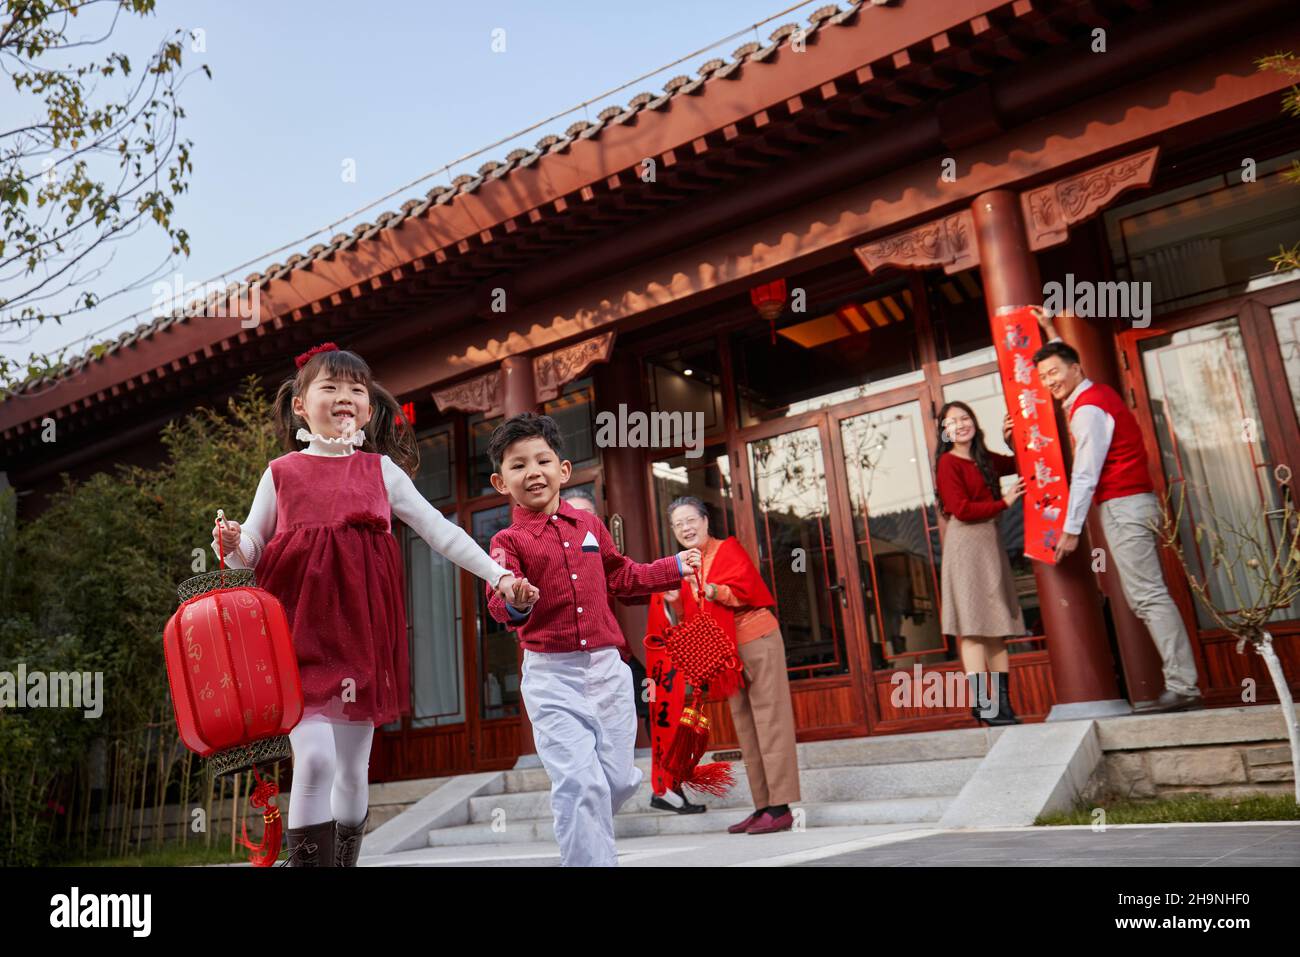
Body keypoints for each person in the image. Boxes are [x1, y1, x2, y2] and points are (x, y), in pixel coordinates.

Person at [213, 342, 526, 866]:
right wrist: (230, 542)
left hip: (361, 639)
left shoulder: (381, 472)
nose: (345, 397)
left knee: (354, 770)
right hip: (295, 638)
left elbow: (441, 533)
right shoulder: (282, 472)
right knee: (313, 760)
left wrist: (499, 575)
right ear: (299, 404)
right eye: (330, 387)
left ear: (369, 405)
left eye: (356, 389)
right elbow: (249, 553)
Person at [483, 413, 700, 866]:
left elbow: (621, 575)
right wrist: (517, 600)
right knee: (580, 785)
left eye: (542, 460)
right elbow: (499, 602)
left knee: (617, 782)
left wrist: (673, 567)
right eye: (518, 465)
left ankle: (588, 838)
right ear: (501, 482)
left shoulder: (589, 527)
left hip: (607, 670)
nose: (533, 472)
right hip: (551, 677)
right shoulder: (507, 540)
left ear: (563, 470)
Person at [1030, 310, 1202, 713]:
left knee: (1147, 596)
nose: (1049, 381)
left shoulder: (1088, 409)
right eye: (1043, 377)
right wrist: (1052, 332)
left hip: (1125, 507)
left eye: (1055, 372)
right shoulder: (1097, 393)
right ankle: (1183, 682)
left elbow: (1086, 473)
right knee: (1147, 594)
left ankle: (1183, 685)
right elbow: (1065, 360)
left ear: (1075, 369)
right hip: (1133, 504)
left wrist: (1071, 530)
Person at [663, 496, 801, 835]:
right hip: (726, 653)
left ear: (705, 520)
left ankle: (781, 806)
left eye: (690, 520)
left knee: (771, 721)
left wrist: (710, 589)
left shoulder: (729, 550)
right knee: (746, 726)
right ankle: (762, 806)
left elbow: (746, 592)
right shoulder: (686, 565)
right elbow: (694, 619)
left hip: (756, 638)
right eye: (678, 525)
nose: (686, 528)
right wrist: (677, 601)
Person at [560, 491, 701, 814]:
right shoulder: (553, 558)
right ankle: (593, 805)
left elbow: (630, 583)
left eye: (590, 516)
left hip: (617, 657)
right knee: (586, 737)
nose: (583, 522)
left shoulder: (602, 557)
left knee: (657, 710)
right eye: (576, 514)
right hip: (568, 664)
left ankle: (666, 787)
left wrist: (668, 579)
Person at [934, 401, 1027, 725]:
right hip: (966, 545)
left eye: (965, 418)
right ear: (944, 432)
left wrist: (1010, 438)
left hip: (990, 542)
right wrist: (1004, 502)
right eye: (952, 422)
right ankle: (982, 703)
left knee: (997, 629)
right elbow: (960, 509)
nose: (960, 425)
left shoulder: (984, 459)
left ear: (974, 421)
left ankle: (1003, 706)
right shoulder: (948, 463)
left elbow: (1021, 462)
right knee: (972, 627)